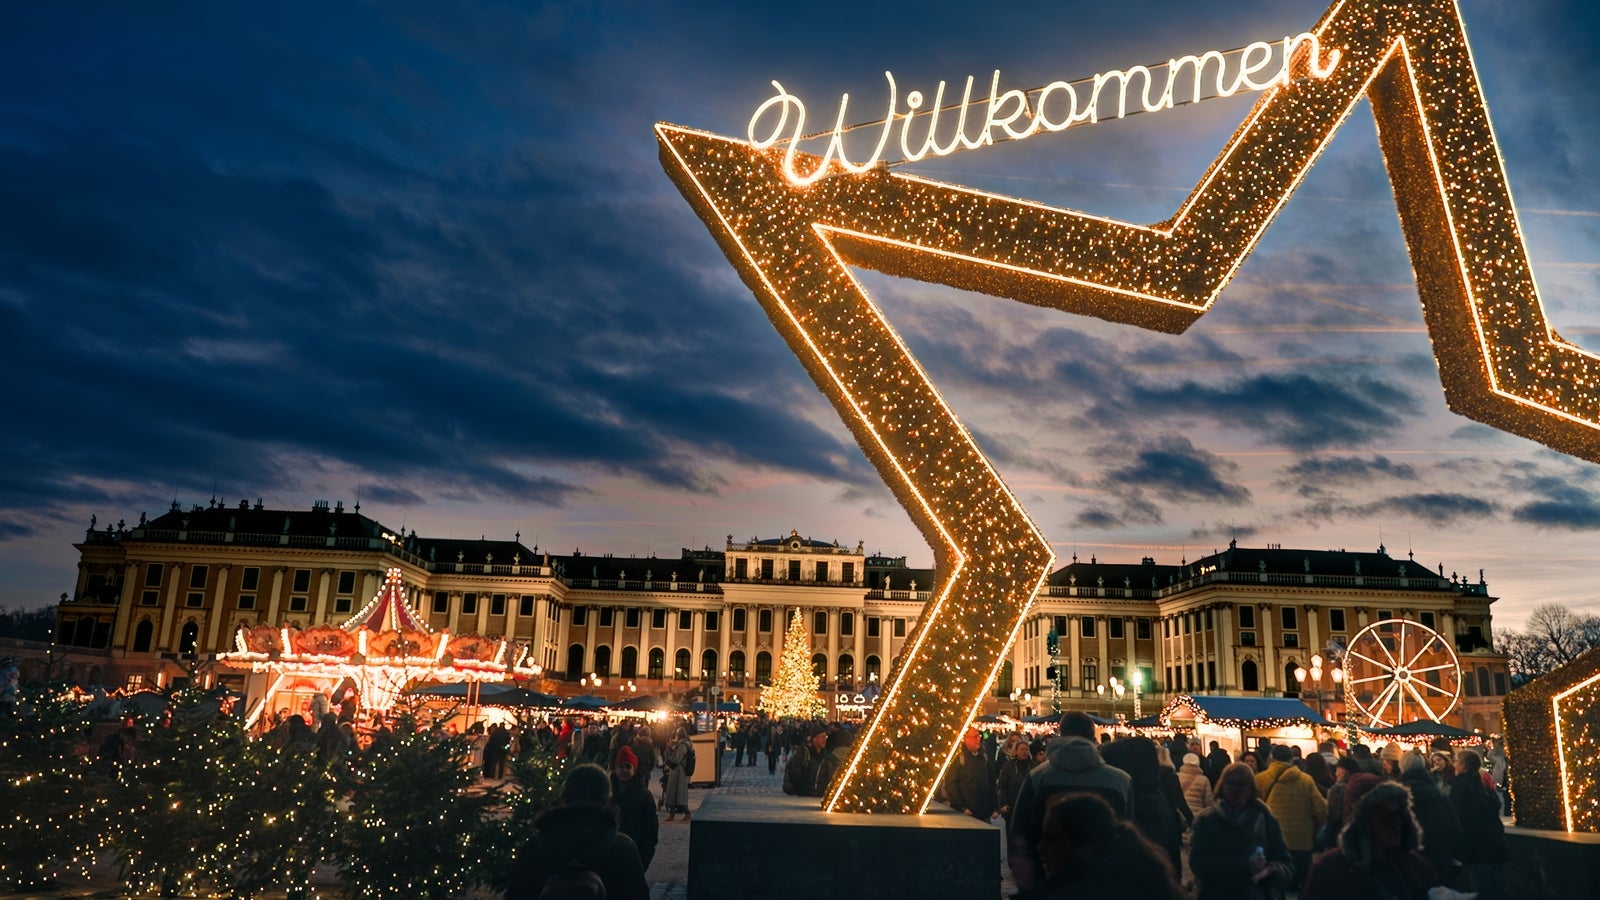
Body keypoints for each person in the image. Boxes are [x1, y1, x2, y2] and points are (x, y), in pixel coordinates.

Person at [1007, 711, 1135, 891]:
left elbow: (1019, 832)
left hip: (1048, 881)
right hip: (1102, 883)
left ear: (1060, 733)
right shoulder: (1120, 781)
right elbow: (1129, 837)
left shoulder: (1038, 777)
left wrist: (1029, 884)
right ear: (1093, 737)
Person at [505, 763, 649, 900]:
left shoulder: (537, 846)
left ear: (565, 796)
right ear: (607, 798)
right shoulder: (623, 848)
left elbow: (517, 894)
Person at [1014, 793, 1188, 900]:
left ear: (1084, 847)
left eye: (1052, 840)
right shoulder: (1145, 881)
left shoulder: (1071, 894)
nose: (1040, 847)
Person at [1301, 773, 1438, 900]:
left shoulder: (1417, 869)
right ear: (1362, 821)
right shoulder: (1330, 871)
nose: (1396, 822)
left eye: (1399, 813)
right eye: (1385, 815)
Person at [1189, 762, 1295, 900]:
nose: (1235, 790)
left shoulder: (1266, 820)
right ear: (1222, 787)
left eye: (1241, 784)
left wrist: (1272, 870)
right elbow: (1198, 864)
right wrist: (1245, 867)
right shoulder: (1207, 821)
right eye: (1230, 783)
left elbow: (1286, 865)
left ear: (1251, 788)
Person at [1255, 743, 1327, 891]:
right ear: (1291, 759)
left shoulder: (1260, 779)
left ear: (1272, 759)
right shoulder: (1306, 780)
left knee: (1274, 886)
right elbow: (1321, 810)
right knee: (1298, 886)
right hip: (1301, 842)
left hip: (1270, 842)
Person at [1397, 748, 1463, 887]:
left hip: (1407, 859)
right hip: (1439, 857)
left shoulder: (1396, 795)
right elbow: (1454, 827)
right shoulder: (1438, 794)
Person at [1450, 749, 1507, 900]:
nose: (1454, 764)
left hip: (1476, 849)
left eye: (1456, 761)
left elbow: (1459, 817)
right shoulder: (1482, 785)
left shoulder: (1461, 786)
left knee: (1479, 891)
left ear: (1463, 765)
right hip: (1494, 846)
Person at [610, 746, 659, 871]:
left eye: (628, 767)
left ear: (634, 769)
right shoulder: (607, 793)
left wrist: (644, 860)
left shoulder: (643, 795)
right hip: (609, 855)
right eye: (621, 767)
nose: (624, 770)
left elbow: (651, 830)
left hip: (634, 854)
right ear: (615, 768)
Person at [944, 727, 999, 822]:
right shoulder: (960, 759)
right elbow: (951, 784)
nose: (978, 739)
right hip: (966, 814)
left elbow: (991, 782)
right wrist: (961, 807)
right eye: (975, 736)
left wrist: (994, 806)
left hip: (984, 812)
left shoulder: (984, 757)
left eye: (979, 736)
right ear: (966, 739)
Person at [782, 722, 831, 798]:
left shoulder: (825, 755)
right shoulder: (804, 753)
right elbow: (795, 772)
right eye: (821, 736)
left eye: (825, 737)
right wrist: (803, 790)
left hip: (820, 796)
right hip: (805, 796)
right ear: (814, 739)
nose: (824, 739)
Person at [996, 736, 1035, 828]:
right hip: (1012, 807)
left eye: (1026, 749)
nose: (1024, 752)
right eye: (1021, 749)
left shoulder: (1033, 766)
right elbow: (1002, 785)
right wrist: (1003, 804)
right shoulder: (1009, 766)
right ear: (1016, 751)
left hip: (1028, 808)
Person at [662, 728, 693, 822]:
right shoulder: (686, 743)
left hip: (678, 772)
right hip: (678, 771)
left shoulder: (683, 745)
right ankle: (672, 814)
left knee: (677, 794)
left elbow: (676, 760)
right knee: (676, 793)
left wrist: (668, 754)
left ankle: (684, 813)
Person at [1179, 752, 1215, 819]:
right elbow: (1208, 802)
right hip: (1198, 816)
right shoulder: (1204, 780)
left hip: (1180, 816)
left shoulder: (1177, 777)